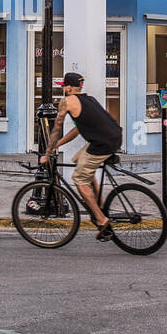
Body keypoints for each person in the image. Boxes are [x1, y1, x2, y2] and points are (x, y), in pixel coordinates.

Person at [39, 72, 122, 241]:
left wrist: (47, 153)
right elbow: (77, 130)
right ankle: (100, 204)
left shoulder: (66, 101)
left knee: (79, 178)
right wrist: (58, 145)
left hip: (101, 144)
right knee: (78, 160)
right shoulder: (88, 100)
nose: (64, 89)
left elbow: (55, 129)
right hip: (113, 137)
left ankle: (101, 220)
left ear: (68, 87)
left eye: (64, 87)